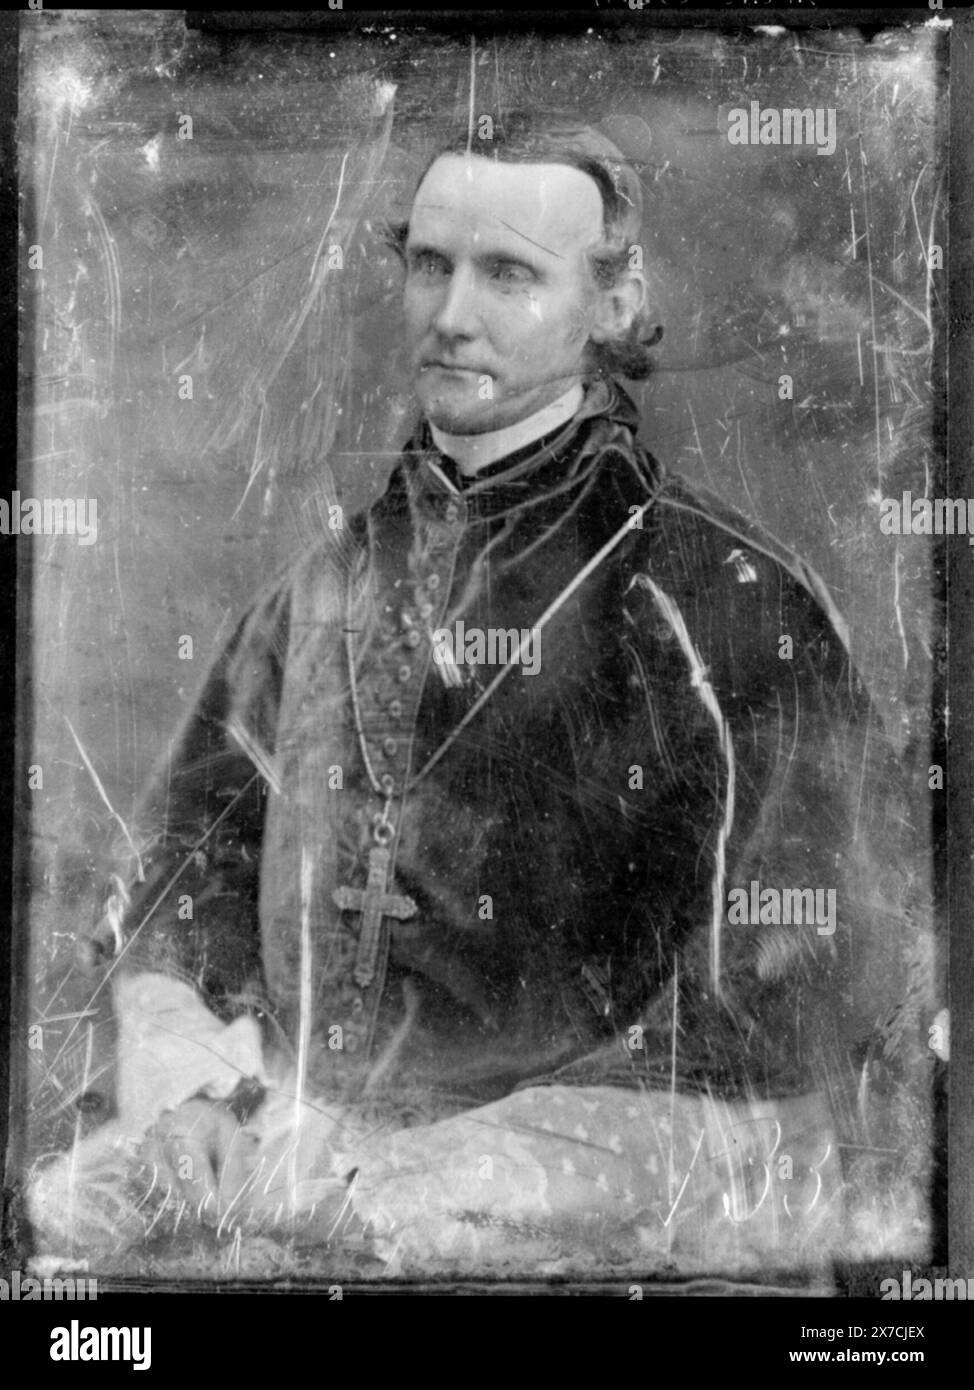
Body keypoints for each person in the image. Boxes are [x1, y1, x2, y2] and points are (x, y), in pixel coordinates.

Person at [29, 117, 934, 1277]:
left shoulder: (722, 598)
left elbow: (790, 1001)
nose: (451, 314)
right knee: (62, 1224)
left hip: (600, 1205)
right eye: (429, 264)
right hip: (289, 1156)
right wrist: (208, 1097)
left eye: (507, 273)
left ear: (611, 303)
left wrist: (431, 1178)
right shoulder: (315, 591)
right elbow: (180, 882)